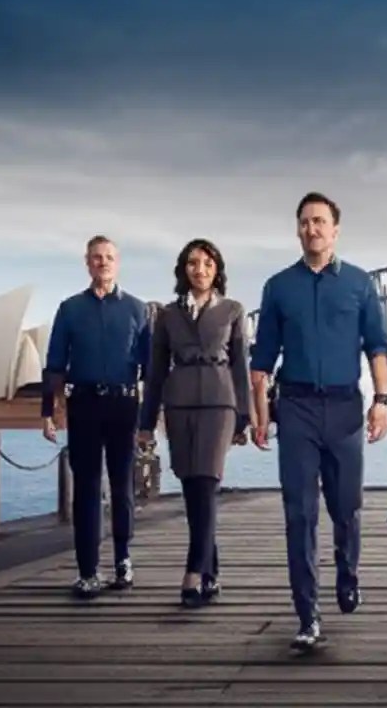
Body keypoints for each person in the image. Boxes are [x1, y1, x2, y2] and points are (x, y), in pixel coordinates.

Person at [248, 191, 387, 652]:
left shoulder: (359, 284)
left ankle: (347, 573)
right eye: (306, 221)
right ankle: (307, 615)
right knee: (299, 514)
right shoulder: (278, 287)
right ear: (298, 229)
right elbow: (261, 360)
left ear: (335, 230)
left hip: (347, 408)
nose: (313, 229)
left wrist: (382, 400)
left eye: (321, 221)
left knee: (346, 507)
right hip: (295, 410)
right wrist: (259, 412)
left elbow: (377, 348)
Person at [137, 239, 252, 608]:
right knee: (191, 488)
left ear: (217, 269)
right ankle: (212, 571)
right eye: (192, 263)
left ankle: (193, 573)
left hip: (219, 404)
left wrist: (244, 416)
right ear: (183, 270)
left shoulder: (233, 310)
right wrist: (146, 419)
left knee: (206, 483)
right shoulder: (168, 315)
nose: (199, 269)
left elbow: (240, 366)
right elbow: (154, 373)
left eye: (206, 263)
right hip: (179, 402)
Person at [41, 235, 151, 599]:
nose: (102, 263)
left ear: (117, 263)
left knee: (122, 487)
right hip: (84, 406)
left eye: (108, 257)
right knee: (86, 489)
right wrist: (49, 411)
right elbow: (55, 362)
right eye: (96, 258)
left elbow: (151, 368)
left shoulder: (138, 309)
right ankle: (87, 571)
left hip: (124, 406)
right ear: (87, 263)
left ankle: (123, 560)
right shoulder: (70, 309)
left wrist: (151, 418)